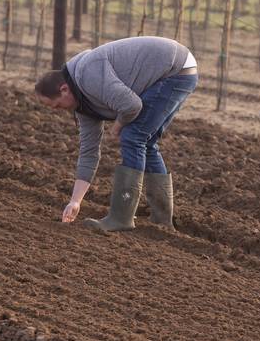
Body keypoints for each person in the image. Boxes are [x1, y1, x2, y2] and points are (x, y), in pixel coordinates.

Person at [34, 36, 198, 232]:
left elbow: (131, 105)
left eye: (57, 106)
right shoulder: (82, 105)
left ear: (64, 89)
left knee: (133, 136)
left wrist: (118, 126)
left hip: (173, 69)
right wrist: (75, 201)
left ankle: (121, 218)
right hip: (178, 68)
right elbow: (89, 152)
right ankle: (162, 220)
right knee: (145, 142)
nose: (59, 111)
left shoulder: (88, 76)